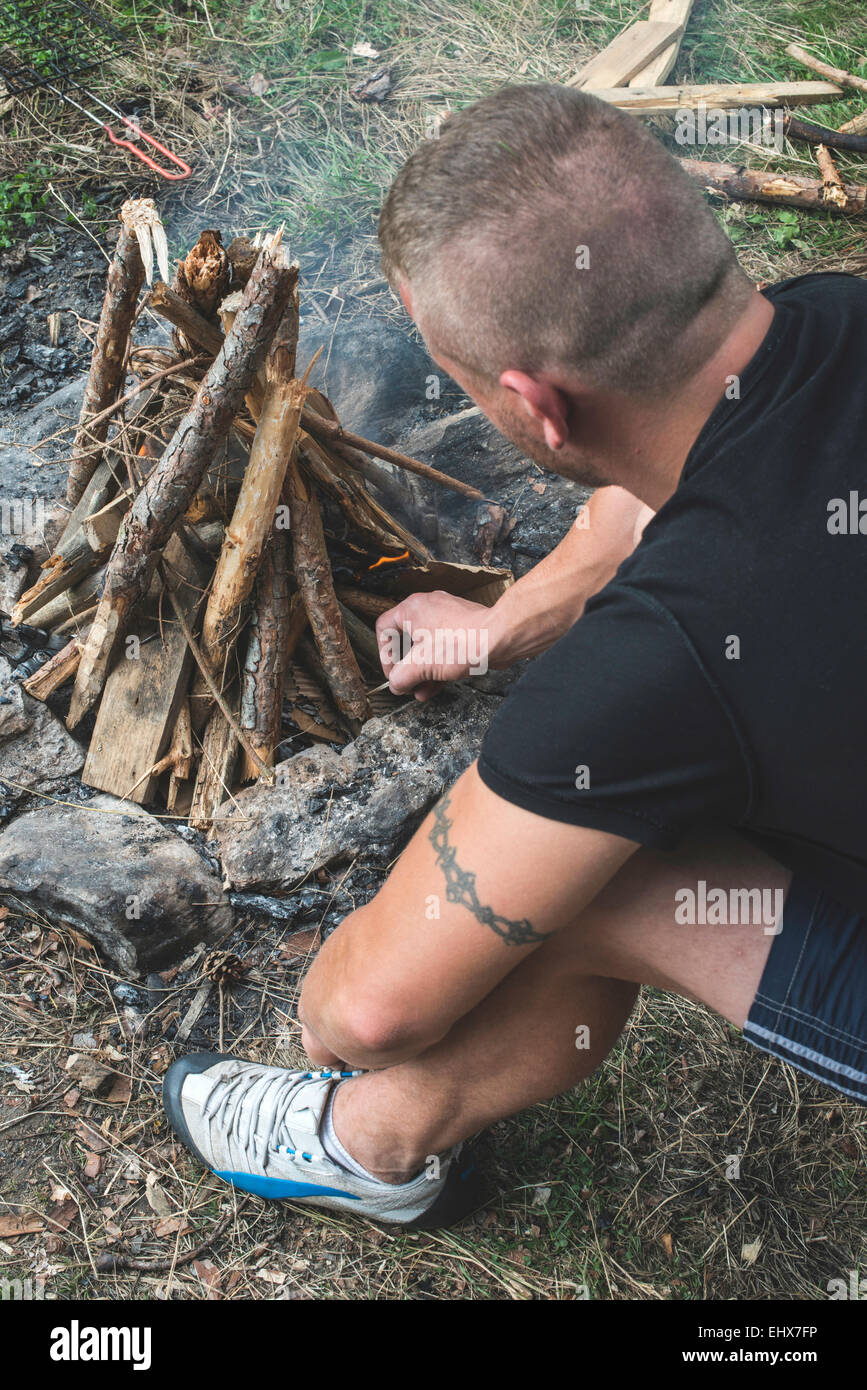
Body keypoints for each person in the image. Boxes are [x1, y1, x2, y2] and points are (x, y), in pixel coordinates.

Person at [163, 84, 867, 1229]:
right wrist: (503, 622)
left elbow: (374, 1010)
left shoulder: (658, 669)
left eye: (458, 375)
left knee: (616, 876)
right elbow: (668, 494)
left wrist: (330, 998)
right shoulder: (827, 317)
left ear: (536, 406)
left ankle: (366, 1145)